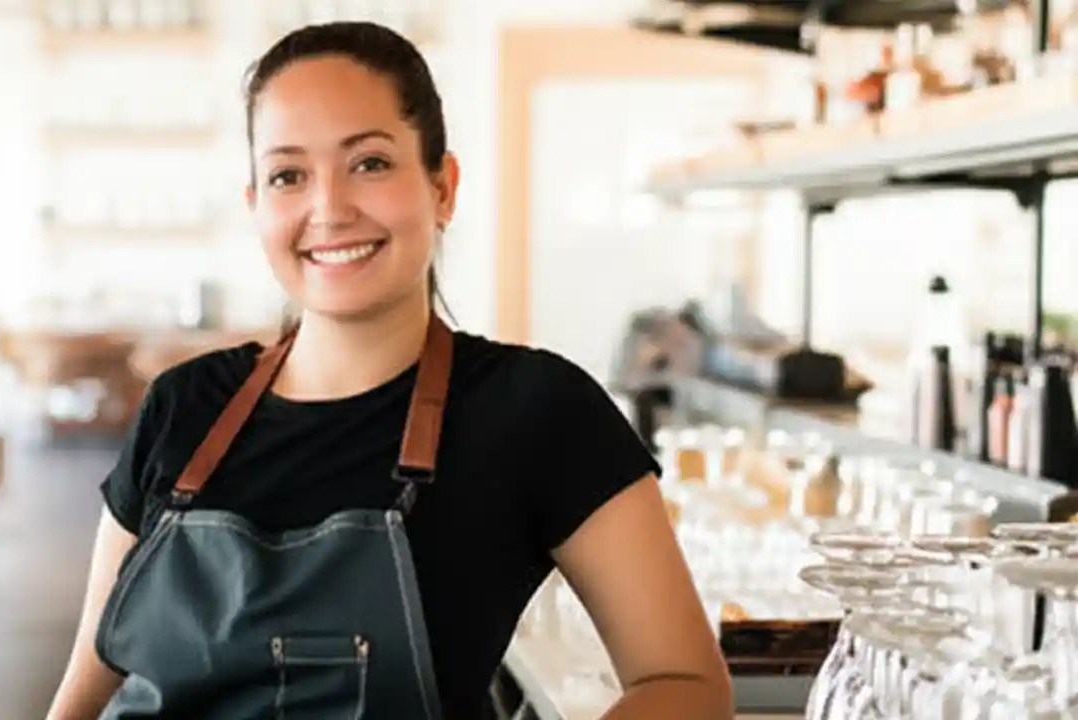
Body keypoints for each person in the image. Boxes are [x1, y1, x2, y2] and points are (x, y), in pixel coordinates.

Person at [47, 21, 731, 720]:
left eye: (369, 163)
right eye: (288, 175)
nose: (329, 209)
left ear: (443, 186)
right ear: (256, 206)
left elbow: (683, 683)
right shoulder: (181, 407)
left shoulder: (536, 410)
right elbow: (82, 694)